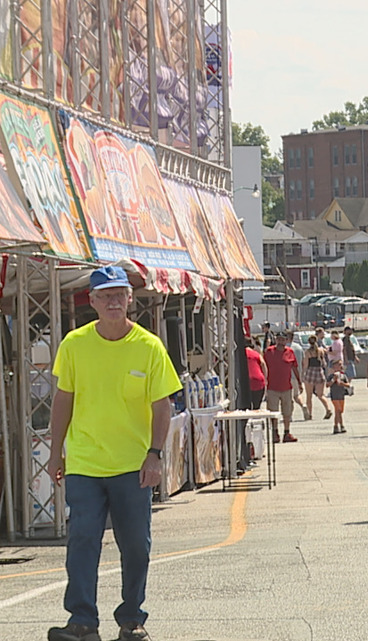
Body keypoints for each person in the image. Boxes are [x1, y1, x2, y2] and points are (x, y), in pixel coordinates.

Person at [47, 265, 183, 641]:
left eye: (119, 294)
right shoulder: (74, 344)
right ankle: (82, 621)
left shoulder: (148, 346)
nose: (113, 301)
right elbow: (63, 400)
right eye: (105, 295)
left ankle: (131, 619)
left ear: (129, 299)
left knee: (136, 545)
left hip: (132, 465)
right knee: (82, 540)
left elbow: (162, 405)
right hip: (85, 463)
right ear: (91, 301)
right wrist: (56, 452)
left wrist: (155, 454)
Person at [265, 331, 303, 443]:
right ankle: (275, 432)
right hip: (272, 387)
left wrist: (299, 382)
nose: (281, 342)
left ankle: (287, 432)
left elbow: (295, 368)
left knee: (287, 411)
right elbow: (263, 366)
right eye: (279, 339)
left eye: (283, 339)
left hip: (286, 387)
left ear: (286, 340)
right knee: (273, 411)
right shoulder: (269, 352)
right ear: (276, 340)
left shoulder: (290, 352)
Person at [303, 335, 332, 421]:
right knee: (321, 395)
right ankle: (328, 409)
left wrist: (303, 373)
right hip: (319, 372)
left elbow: (306, 365)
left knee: (309, 396)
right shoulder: (321, 350)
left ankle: (310, 414)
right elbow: (324, 364)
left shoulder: (307, 352)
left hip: (310, 372)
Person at [326, 360, 350, 434]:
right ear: (334, 367)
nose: (340, 366)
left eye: (341, 364)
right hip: (334, 396)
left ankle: (336, 426)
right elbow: (327, 385)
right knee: (338, 410)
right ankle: (341, 425)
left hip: (341, 396)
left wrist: (342, 384)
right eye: (338, 365)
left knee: (340, 411)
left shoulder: (343, 375)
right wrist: (334, 380)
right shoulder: (331, 376)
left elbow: (348, 384)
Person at [245, 339, 268, 410]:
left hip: (245, 382)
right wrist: (265, 378)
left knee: (246, 407)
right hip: (258, 380)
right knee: (256, 406)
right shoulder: (256, 354)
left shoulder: (239, 355)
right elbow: (263, 364)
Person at [286, 331, 305, 411]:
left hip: (287, 375)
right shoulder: (299, 347)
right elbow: (303, 362)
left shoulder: (285, 348)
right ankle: (303, 405)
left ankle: (290, 414)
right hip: (297, 374)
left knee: (288, 396)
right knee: (296, 395)